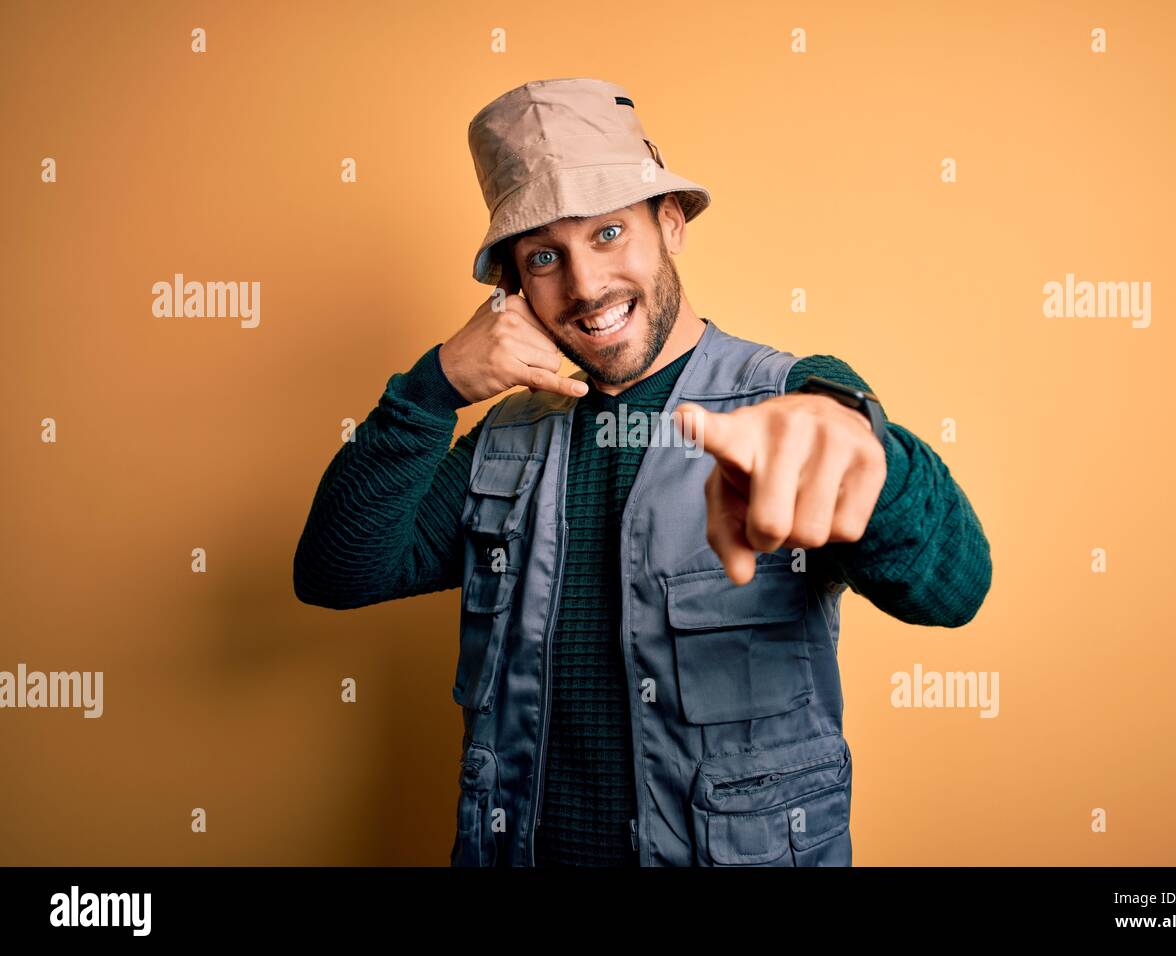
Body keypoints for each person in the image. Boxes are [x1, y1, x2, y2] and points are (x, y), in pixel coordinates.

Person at [293, 77, 992, 867]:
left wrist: (873, 452)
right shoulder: (504, 436)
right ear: (515, 290)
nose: (586, 286)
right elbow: (338, 572)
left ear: (669, 225)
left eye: (608, 234)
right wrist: (431, 388)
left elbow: (956, 589)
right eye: (546, 256)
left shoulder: (793, 401)